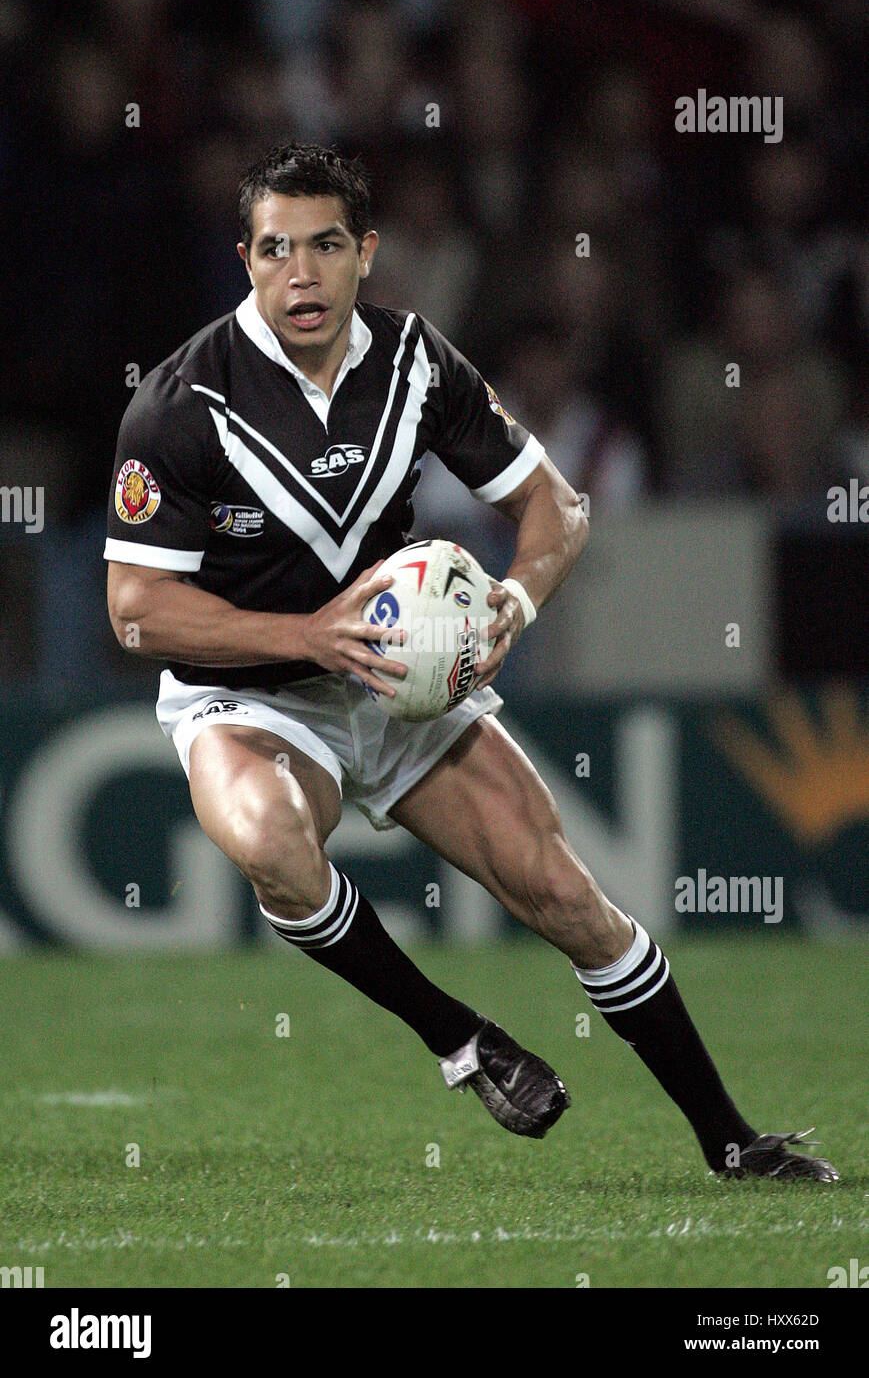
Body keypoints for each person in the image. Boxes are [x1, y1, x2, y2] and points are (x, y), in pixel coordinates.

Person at [105, 142, 836, 1180]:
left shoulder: (415, 362)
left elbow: (554, 506)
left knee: (567, 896)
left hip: (402, 684)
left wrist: (517, 598)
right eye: (276, 251)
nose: (301, 275)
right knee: (269, 838)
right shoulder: (180, 404)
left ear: (367, 251)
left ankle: (731, 1139)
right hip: (250, 693)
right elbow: (136, 614)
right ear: (245, 259)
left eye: (325, 246)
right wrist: (307, 637)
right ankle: (460, 1036)